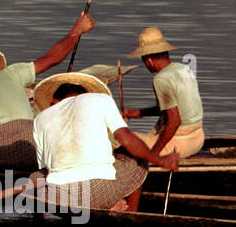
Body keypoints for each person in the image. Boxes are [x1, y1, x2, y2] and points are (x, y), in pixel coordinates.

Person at [0, 12, 94, 171]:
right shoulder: (10, 74)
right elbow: (53, 58)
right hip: (35, 145)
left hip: (3, 156)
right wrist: (77, 30)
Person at [30, 72, 179, 211]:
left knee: (36, 176)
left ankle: (40, 221)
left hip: (57, 197)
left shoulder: (40, 118)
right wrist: (161, 160)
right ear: (85, 94)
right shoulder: (100, 99)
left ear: (55, 101)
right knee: (138, 157)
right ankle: (128, 215)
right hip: (100, 192)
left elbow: (44, 168)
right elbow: (128, 140)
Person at [122, 27, 205, 157]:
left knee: (123, 139)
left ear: (148, 59)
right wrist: (138, 113)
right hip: (198, 139)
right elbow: (174, 108)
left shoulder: (160, 79)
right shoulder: (183, 69)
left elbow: (175, 121)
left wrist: (154, 155)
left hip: (179, 145)